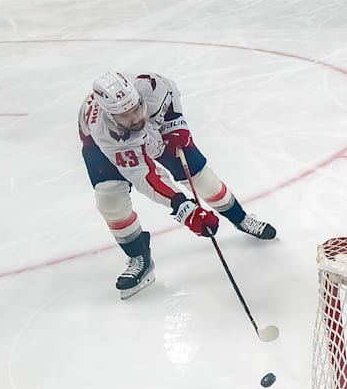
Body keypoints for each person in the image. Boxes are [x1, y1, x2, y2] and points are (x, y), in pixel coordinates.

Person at [79, 72, 277, 299]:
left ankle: (240, 218)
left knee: (201, 178)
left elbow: (170, 93)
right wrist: (185, 208)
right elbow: (146, 177)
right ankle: (139, 257)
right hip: (99, 148)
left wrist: (176, 126)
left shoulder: (151, 86)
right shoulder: (104, 131)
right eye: (125, 115)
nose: (134, 118)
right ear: (111, 115)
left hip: (154, 129)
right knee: (110, 200)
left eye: (136, 108)